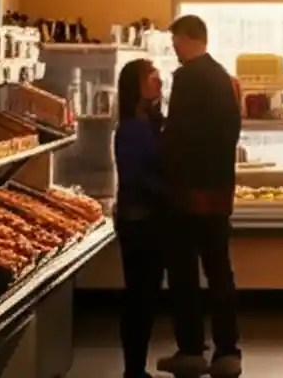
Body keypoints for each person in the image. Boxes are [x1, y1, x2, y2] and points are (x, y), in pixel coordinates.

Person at [157, 15, 243, 378]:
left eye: (175, 39)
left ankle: (191, 349)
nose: (173, 47)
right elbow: (232, 133)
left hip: (187, 193)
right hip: (220, 191)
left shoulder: (187, 79)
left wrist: (165, 168)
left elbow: (177, 137)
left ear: (188, 38)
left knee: (183, 273)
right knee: (219, 271)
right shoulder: (224, 79)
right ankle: (228, 352)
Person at [112, 58, 168, 378]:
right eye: (151, 76)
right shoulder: (132, 129)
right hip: (140, 222)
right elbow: (136, 177)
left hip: (148, 219)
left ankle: (136, 368)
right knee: (139, 298)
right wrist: (172, 191)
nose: (158, 81)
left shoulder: (148, 123)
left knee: (145, 297)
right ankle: (133, 369)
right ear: (137, 85)